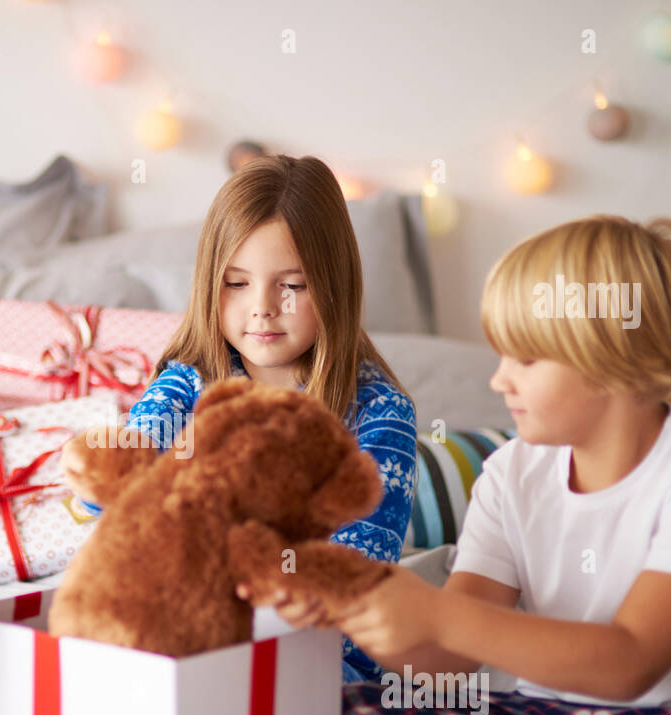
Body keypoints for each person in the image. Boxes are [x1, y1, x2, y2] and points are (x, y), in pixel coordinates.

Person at [244, 214, 671, 715]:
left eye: (525, 358)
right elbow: (449, 657)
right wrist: (356, 612)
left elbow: (629, 661)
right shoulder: (510, 474)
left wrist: (437, 610)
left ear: (615, 360)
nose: (500, 380)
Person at [61, 154, 418, 683]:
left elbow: (356, 574)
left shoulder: (382, 412)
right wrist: (99, 472)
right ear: (210, 284)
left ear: (335, 285)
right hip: (187, 632)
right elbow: (121, 478)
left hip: (321, 657)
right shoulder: (189, 382)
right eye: (237, 283)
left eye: (292, 286)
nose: (263, 308)